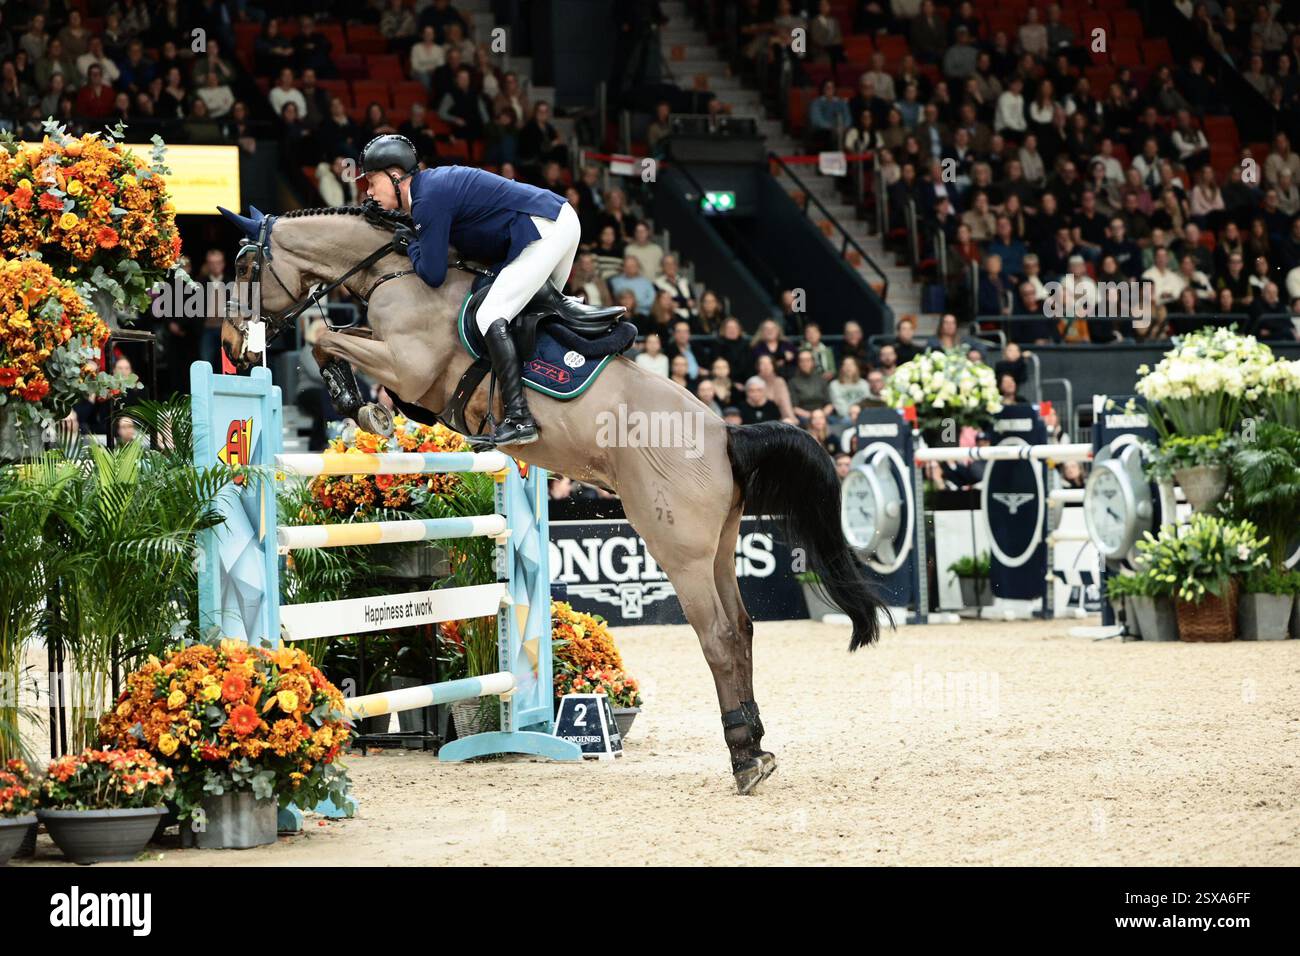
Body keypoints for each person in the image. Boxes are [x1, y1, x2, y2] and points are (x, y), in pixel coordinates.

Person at [361, 133, 616, 445]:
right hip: (553, 222)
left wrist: (410, 245)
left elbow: (432, 273)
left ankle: (520, 418)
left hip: (545, 229)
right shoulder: (428, 192)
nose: (369, 191)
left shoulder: (427, 199)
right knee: (522, 317)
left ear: (395, 176)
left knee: (490, 315)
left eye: (373, 182)